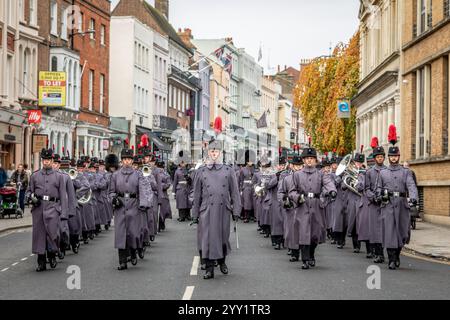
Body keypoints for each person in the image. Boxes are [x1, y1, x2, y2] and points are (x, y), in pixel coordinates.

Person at [192, 138, 241, 279]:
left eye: (217, 151)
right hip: (206, 209)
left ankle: (222, 261)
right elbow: (196, 194)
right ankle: (208, 268)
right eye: (212, 151)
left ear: (221, 153)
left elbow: (235, 192)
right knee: (206, 238)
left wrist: (236, 210)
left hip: (223, 209)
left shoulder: (228, 170)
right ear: (208, 152)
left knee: (222, 237)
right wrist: (195, 214)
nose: (214, 153)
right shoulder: (201, 171)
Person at [288, 147, 336, 270]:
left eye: (312, 158)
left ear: (315, 160)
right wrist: (297, 198)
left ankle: (311, 254)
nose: (309, 161)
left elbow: (329, 184)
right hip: (302, 205)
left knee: (315, 234)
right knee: (303, 232)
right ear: (304, 160)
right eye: (307, 158)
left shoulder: (321, 174)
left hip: (316, 205)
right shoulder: (297, 175)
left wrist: (332, 191)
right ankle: (305, 259)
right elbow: (292, 191)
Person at [377, 128, 418, 270]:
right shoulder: (383, 173)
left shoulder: (406, 172)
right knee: (389, 232)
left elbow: (411, 186)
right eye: (391, 156)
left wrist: (413, 198)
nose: (394, 158)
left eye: (396, 156)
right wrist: (381, 195)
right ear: (388, 157)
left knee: (402, 232)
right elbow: (378, 189)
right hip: (388, 205)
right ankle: (391, 259)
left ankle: (398, 254)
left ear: (399, 157)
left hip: (402, 204)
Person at [26, 148, 68, 272]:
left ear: (51, 160)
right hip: (38, 208)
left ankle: (52, 255)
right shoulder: (35, 175)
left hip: (53, 207)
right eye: (44, 160)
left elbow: (63, 196)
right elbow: (29, 191)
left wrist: (64, 212)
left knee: (53, 233)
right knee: (39, 235)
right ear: (42, 160)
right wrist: (31, 198)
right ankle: (41, 261)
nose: (46, 162)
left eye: (48, 160)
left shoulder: (59, 176)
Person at [109, 148, 146, 270]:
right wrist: (113, 199)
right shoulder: (115, 175)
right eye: (125, 159)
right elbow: (111, 192)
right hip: (120, 207)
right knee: (121, 234)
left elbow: (142, 191)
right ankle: (122, 262)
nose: (127, 161)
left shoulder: (138, 174)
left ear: (132, 160)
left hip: (134, 205)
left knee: (133, 233)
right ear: (122, 160)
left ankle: (133, 251)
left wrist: (143, 205)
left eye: (129, 159)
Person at [365, 138, 387, 263]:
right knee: (374, 229)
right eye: (377, 157)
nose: (379, 159)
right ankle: (378, 253)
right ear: (374, 158)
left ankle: (383, 251)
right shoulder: (369, 172)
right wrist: (372, 197)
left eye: (381, 157)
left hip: (385, 204)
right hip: (373, 204)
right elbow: (366, 189)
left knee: (384, 229)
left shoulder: (387, 170)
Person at [278, 156, 302, 261]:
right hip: (291, 207)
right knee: (292, 231)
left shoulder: (307, 178)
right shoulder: (287, 179)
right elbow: (280, 192)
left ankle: (306, 253)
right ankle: (294, 252)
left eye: (300, 165)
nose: (298, 167)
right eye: (296, 165)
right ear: (292, 166)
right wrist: (284, 202)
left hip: (304, 207)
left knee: (304, 231)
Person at [346, 152, 366, 253]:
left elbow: (365, 187)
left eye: (360, 162)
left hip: (361, 200)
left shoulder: (365, 173)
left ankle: (362, 243)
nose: (358, 164)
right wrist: (347, 178)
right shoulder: (349, 172)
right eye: (357, 162)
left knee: (361, 222)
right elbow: (343, 186)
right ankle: (356, 245)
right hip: (351, 200)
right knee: (353, 223)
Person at [154, 159, 172, 232]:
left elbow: (168, 184)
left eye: (161, 167)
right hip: (155, 193)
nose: (160, 168)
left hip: (164, 194)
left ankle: (162, 222)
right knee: (155, 211)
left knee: (163, 210)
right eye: (159, 167)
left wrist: (160, 186)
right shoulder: (154, 173)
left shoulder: (166, 174)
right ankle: (156, 225)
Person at [173, 155, 193, 222]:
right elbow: (175, 181)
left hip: (187, 187)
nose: (183, 164)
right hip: (180, 188)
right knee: (181, 203)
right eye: (182, 163)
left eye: (184, 162)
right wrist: (174, 191)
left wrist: (188, 178)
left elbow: (192, 181)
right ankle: (181, 216)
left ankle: (188, 215)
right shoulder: (177, 171)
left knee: (188, 202)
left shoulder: (189, 170)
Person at [239, 151, 256, 223]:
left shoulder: (255, 169)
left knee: (254, 202)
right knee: (247, 202)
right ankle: (246, 216)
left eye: (251, 161)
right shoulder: (243, 169)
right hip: (246, 187)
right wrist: (241, 189)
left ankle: (254, 215)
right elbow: (241, 180)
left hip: (253, 187)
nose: (250, 162)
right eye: (249, 161)